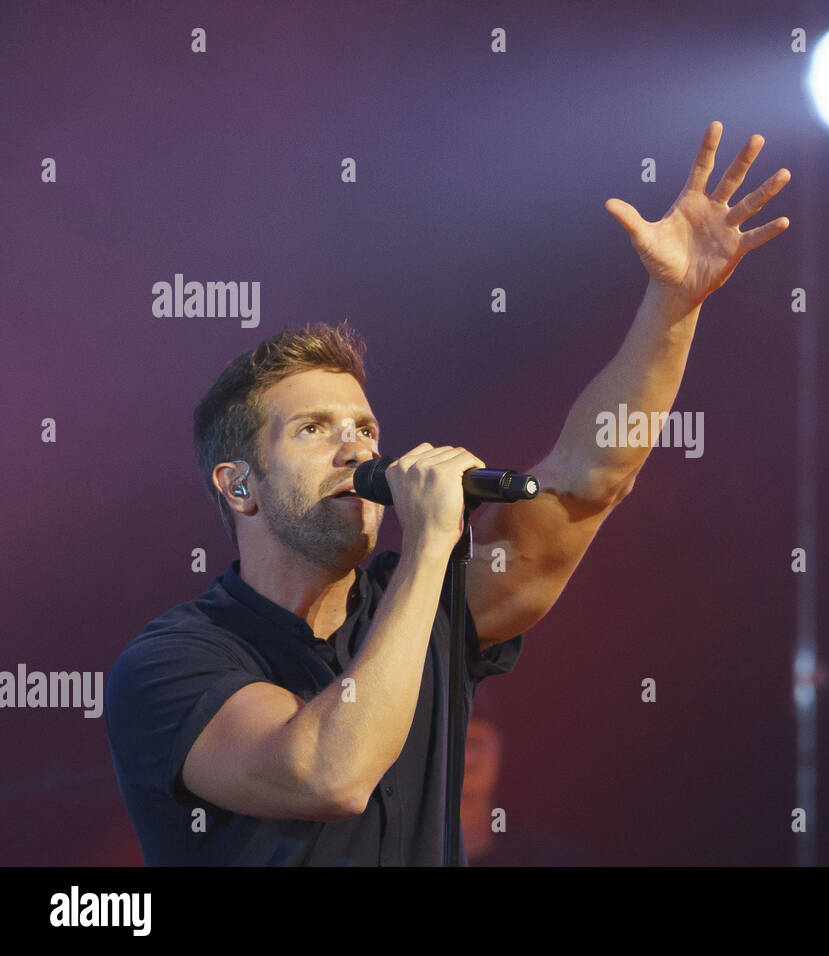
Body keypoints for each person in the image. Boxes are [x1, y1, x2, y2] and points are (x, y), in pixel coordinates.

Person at [104, 121, 791, 865]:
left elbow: (591, 481)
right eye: (312, 428)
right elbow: (328, 774)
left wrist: (674, 303)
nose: (357, 447)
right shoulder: (173, 662)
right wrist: (433, 542)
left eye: (364, 427)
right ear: (239, 486)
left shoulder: (431, 604)